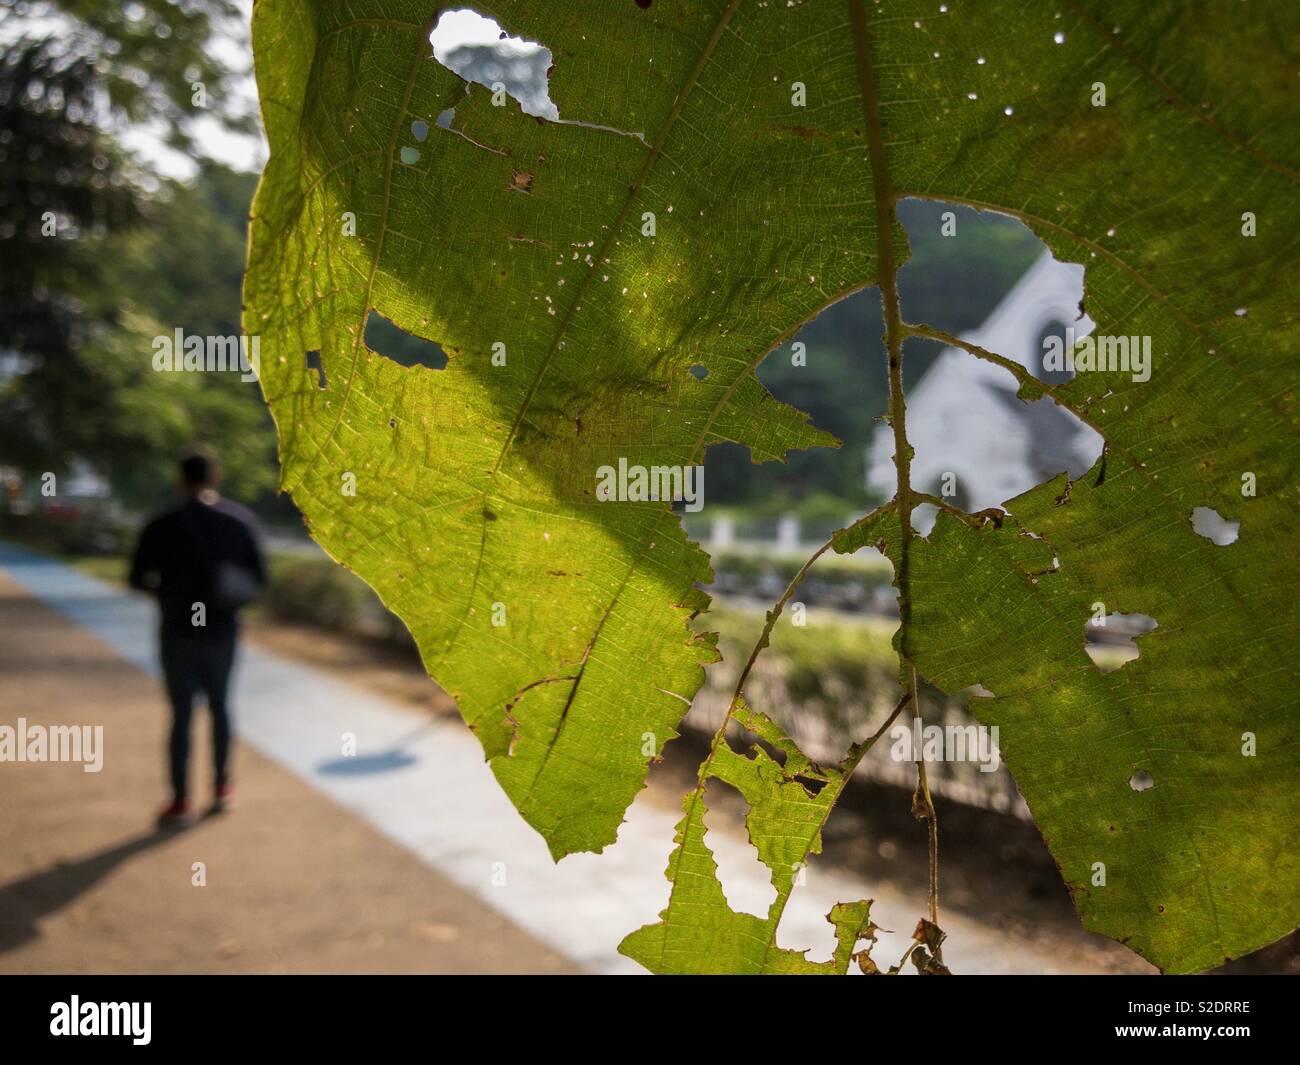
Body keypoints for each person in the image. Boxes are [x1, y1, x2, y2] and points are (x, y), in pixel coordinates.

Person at [129, 453, 265, 827]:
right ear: (215, 478)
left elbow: (137, 578)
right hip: (222, 631)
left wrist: (168, 593)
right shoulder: (239, 522)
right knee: (220, 708)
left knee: (181, 716)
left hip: (177, 632)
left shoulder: (161, 524)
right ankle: (222, 788)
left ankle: (179, 800)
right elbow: (258, 578)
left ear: (181, 480)